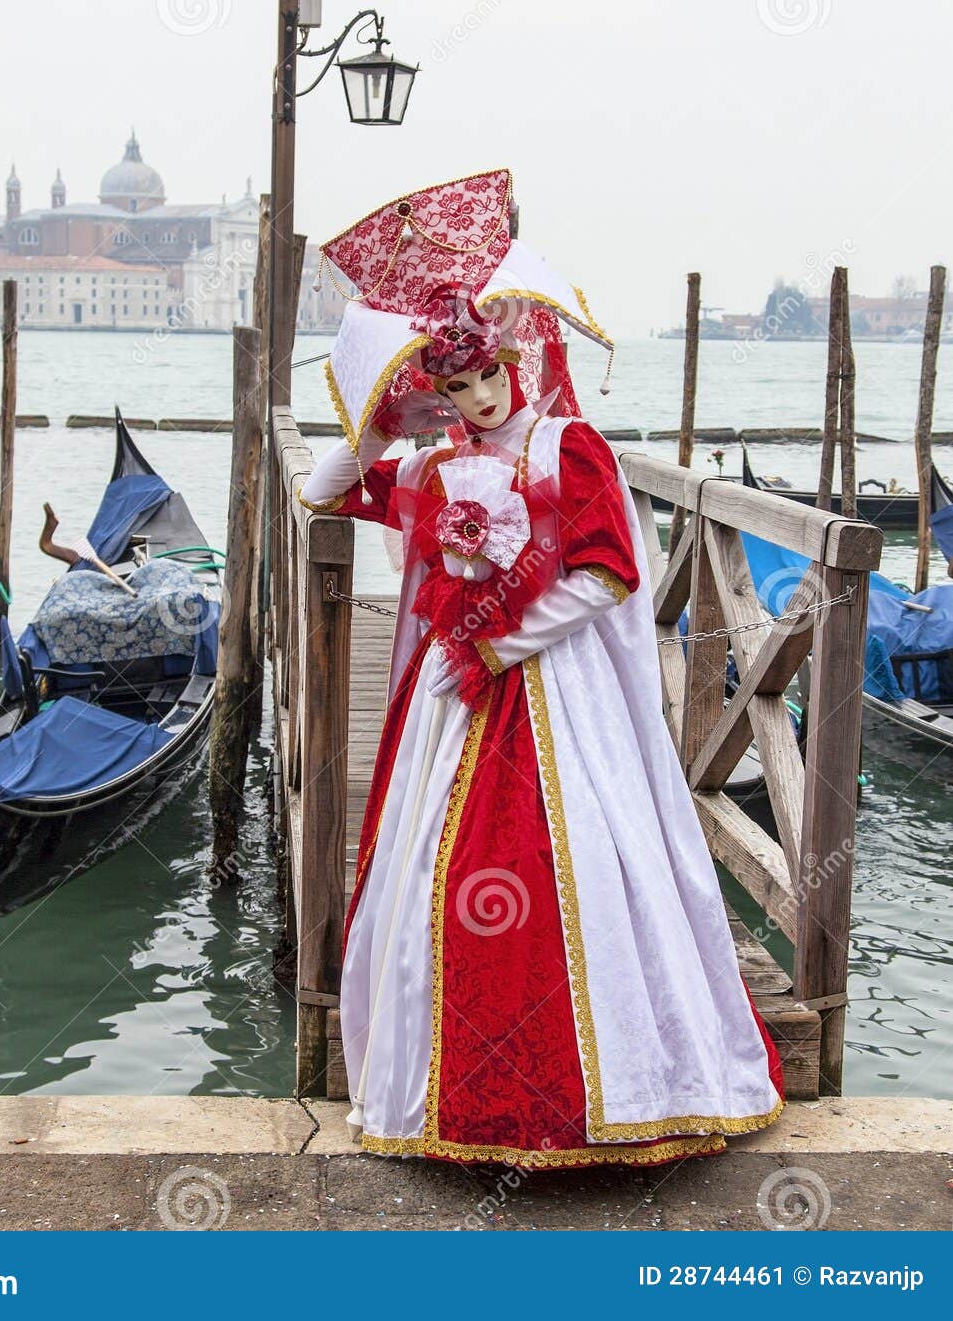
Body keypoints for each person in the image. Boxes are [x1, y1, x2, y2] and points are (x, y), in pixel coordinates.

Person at [299, 218, 784, 1170]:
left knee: (580, 866)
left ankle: (624, 1087)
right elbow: (327, 489)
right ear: (436, 392)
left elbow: (607, 572)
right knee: (441, 873)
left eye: (487, 377)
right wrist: (382, 425)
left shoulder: (571, 446)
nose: (479, 398)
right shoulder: (434, 462)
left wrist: (501, 644)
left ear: (516, 363)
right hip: (457, 698)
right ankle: (456, 1093)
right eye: (455, 387)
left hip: (561, 690)